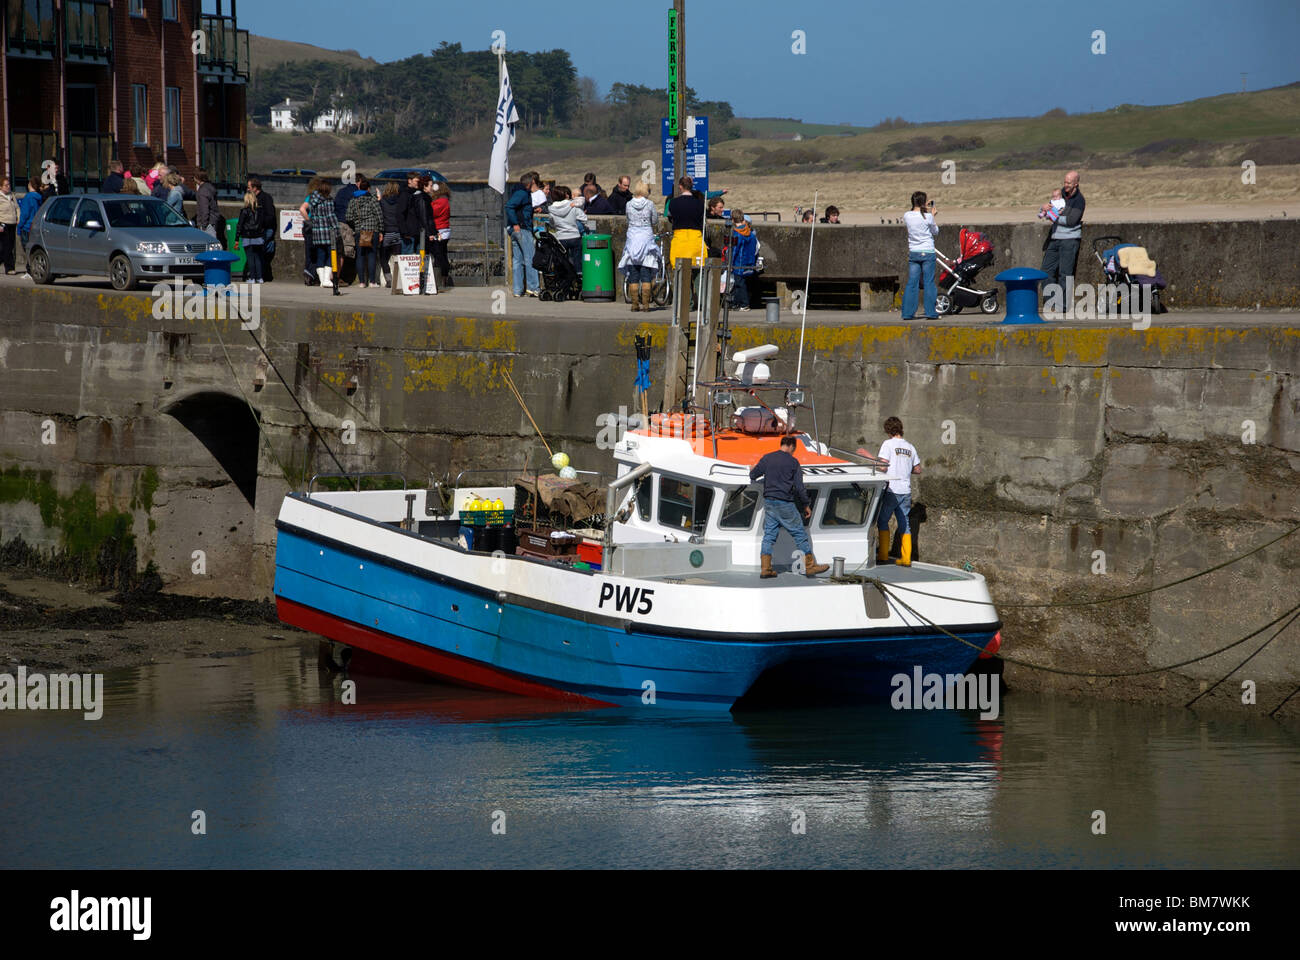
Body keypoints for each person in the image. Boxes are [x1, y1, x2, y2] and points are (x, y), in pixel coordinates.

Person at [751, 435, 830, 578]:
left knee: (769, 536)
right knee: (799, 533)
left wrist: (754, 471)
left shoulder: (767, 458)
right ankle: (810, 566)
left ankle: (766, 569)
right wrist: (806, 505)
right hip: (785, 503)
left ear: (782, 444)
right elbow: (800, 488)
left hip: (769, 503)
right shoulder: (793, 462)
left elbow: (753, 475)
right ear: (792, 446)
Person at [875, 416, 922, 566]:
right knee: (904, 523)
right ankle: (906, 558)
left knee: (883, 520)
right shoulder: (910, 446)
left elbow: (882, 467)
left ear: (888, 430)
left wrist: (871, 460)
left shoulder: (888, 444)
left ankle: (882, 555)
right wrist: (905, 468)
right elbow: (918, 469)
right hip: (906, 490)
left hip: (891, 489)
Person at [619, 180, 661, 312]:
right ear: (646, 190)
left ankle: (634, 304)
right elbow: (654, 220)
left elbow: (627, 219)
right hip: (646, 239)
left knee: (633, 274)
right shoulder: (649, 204)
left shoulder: (628, 204)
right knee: (646, 273)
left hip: (632, 239)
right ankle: (646, 305)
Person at [1041, 169, 1084, 297]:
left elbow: (1072, 220)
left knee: (1065, 274)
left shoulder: (1079, 200)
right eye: (1065, 182)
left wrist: (1053, 217)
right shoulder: (1059, 194)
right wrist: (1043, 208)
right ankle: (1051, 301)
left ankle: (1063, 305)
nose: (1066, 185)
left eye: (1069, 183)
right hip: (1054, 239)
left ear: (1076, 183)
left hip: (1070, 241)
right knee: (1046, 271)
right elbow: (1048, 209)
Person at [901, 190, 939, 320]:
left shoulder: (907, 215)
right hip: (928, 252)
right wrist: (932, 215)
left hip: (914, 252)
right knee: (928, 282)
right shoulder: (928, 217)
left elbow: (913, 213)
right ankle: (930, 312)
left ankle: (907, 313)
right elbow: (935, 231)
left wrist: (922, 206)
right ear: (923, 203)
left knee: (912, 283)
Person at [506, 171, 541, 296]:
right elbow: (509, 206)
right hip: (522, 229)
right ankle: (533, 287)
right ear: (531, 182)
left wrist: (532, 209)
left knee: (518, 260)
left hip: (515, 229)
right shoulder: (522, 193)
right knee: (530, 257)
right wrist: (516, 223)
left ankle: (517, 289)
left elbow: (519, 208)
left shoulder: (518, 192)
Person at [346, 177, 383, 288]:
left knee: (360, 256)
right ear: (368, 188)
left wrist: (356, 224)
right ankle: (372, 282)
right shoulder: (372, 199)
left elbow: (348, 217)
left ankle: (362, 282)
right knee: (371, 255)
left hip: (359, 230)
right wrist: (381, 230)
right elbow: (379, 215)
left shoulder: (353, 200)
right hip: (372, 230)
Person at [546, 185, 587, 283]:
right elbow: (584, 218)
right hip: (574, 237)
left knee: (561, 261)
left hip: (561, 238)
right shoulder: (572, 206)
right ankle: (579, 279)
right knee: (577, 260)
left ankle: (563, 280)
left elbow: (552, 224)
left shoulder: (551, 209)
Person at [667, 174, 705, 279]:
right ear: (691, 186)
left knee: (680, 274)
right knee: (698, 274)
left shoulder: (673, 203)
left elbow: (670, 218)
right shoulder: (699, 203)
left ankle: (682, 295)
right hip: (695, 240)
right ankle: (699, 295)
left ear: (680, 186)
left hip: (680, 240)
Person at [305, 180, 340, 283]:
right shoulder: (328, 200)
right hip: (327, 232)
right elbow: (331, 216)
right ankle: (326, 280)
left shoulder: (312, 199)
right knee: (330, 254)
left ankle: (321, 280)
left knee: (320, 254)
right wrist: (336, 229)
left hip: (316, 231)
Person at [423, 177, 453, 289]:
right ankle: (444, 277)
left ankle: (439, 278)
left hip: (439, 231)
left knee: (438, 255)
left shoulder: (439, 202)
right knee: (442, 254)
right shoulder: (446, 200)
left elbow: (431, 213)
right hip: (445, 230)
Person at [727, 208, 759, 311]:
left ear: (732, 220)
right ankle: (736, 303)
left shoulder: (737, 234)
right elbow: (754, 248)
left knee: (739, 285)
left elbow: (734, 250)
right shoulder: (750, 233)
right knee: (741, 284)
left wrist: (730, 263)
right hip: (749, 263)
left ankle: (744, 304)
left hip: (738, 263)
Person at [248, 178, 277, 282]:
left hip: (265, 229)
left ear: (255, 188)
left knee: (259, 252)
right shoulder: (252, 198)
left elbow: (270, 216)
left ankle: (259, 276)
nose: (247, 189)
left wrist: (259, 224)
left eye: (249, 187)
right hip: (258, 230)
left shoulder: (266, 198)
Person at [378, 182, 404, 286]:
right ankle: (398, 280)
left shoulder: (382, 201)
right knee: (397, 258)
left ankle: (389, 280)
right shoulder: (400, 201)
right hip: (397, 232)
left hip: (386, 233)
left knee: (384, 258)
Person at [236, 191, 265, 283]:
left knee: (250, 258)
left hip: (247, 237)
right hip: (258, 237)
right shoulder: (260, 211)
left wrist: (236, 239)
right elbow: (263, 224)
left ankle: (252, 278)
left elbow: (239, 225)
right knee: (257, 258)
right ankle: (259, 277)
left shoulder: (244, 211)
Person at [17, 179, 42, 277]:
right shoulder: (39, 197)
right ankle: (35, 269)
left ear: (30, 185)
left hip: (27, 226)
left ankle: (30, 271)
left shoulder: (28, 197)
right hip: (36, 226)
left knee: (27, 249)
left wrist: (19, 226)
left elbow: (25, 214)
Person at [399, 172, 424, 254]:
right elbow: (400, 213)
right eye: (417, 181)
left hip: (419, 231)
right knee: (407, 258)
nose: (418, 183)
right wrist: (404, 231)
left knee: (420, 258)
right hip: (409, 232)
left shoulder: (418, 194)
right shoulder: (405, 194)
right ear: (409, 181)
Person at [193, 169, 220, 239]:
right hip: (213, 220)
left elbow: (204, 209)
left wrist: (203, 225)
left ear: (197, 178)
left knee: (209, 242)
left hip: (207, 223)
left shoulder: (202, 191)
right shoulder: (210, 187)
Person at [0, 177, 18, 274]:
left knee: (10, 245)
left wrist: (18, 217)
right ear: (1, 187)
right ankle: (9, 268)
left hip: (12, 223)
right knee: (6, 246)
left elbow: (17, 208)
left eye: (9, 184)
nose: (8, 187)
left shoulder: (11, 195)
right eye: (6, 185)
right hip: (3, 223)